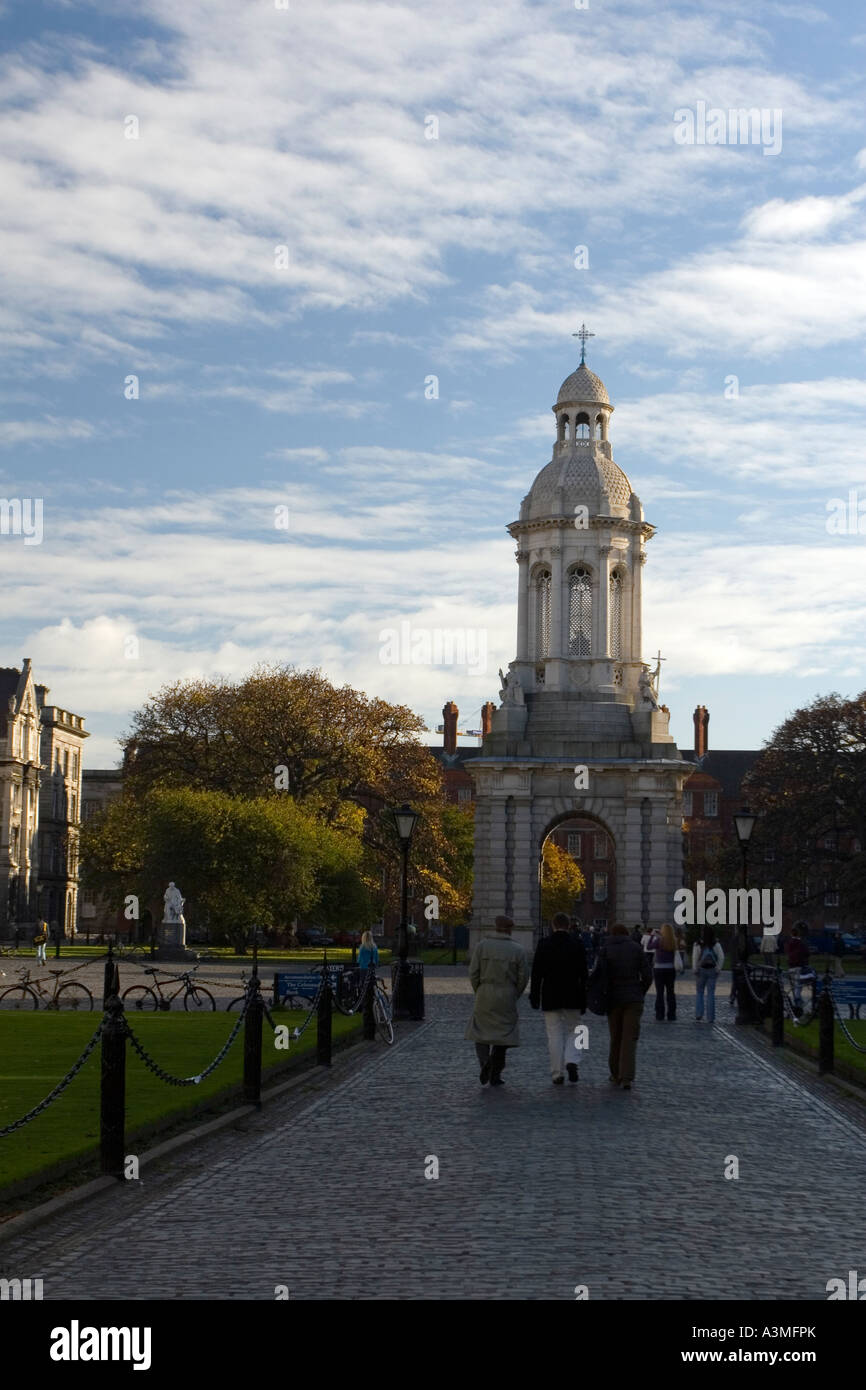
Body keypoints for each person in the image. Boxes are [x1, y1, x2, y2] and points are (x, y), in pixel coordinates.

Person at [465, 915, 529, 1086]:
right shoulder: (518, 950)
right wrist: (515, 993)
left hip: (485, 992)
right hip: (507, 993)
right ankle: (495, 1073)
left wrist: (479, 989)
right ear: (510, 929)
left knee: (480, 1032)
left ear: (495, 927)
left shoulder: (482, 947)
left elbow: (473, 972)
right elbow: (523, 977)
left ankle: (485, 1061)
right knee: (504, 1035)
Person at [530, 911, 588, 1085]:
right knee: (579, 1030)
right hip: (573, 994)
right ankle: (572, 1060)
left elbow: (537, 973)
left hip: (550, 995)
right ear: (569, 925)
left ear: (553, 925)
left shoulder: (543, 944)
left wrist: (534, 996)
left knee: (553, 1035)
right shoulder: (577, 944)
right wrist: (584, 998)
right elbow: (584, 975)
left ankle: (557, 1073)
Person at [602, 923, 652, 1090]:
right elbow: (647, 975)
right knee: (629, 1039)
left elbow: (599, 974)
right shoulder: (636, 948)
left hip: (613, 998)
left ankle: (615, 1074)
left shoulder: (606, 948)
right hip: (633, 998)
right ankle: (627, 1078)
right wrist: (640, 991)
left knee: (615, 1037)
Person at [693, 927, 724, 1023]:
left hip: (701, 970)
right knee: (711, 993)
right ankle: (710, 1017)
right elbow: (721, 957)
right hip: (712, 970)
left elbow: (695, 958)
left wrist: (695, 969)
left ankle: (699, 1014)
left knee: (699, 992)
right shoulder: (716, 944)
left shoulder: (697, 944)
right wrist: (718, 968)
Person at [652, 922, 680, 1022]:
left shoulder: (659, 940)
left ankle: (660, 1014)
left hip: (659, 969)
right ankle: (671, 1014)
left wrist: (653, 936)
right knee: (670, 992)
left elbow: (649, 946)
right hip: (670, 969)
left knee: (660, 993)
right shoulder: (673, 941)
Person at [785, 925, 810, 1008]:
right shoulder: (800, 943)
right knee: (798, 985)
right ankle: (797, 1001)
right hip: (799, 966)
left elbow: (788, 953)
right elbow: (807, 953)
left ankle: (796, 999)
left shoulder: (789, 943)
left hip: (791, 966)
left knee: (793, 985)